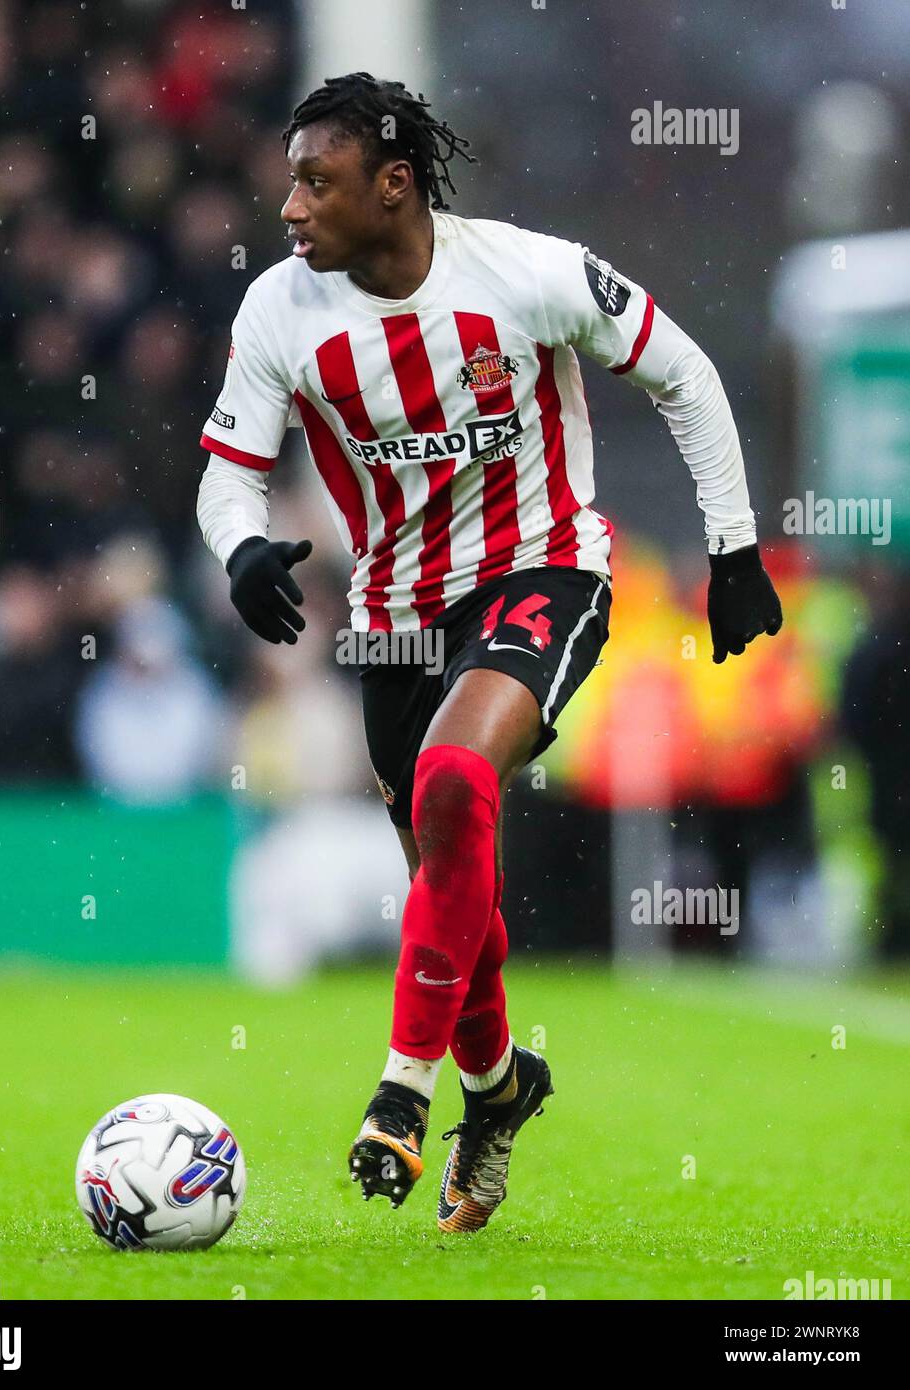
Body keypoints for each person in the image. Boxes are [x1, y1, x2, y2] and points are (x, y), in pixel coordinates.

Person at [196, 73, 782, 1234]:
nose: (291, 208)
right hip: (394, 612)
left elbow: (685, 372)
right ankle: (499, 1087)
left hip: (540, 573)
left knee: (455, 779)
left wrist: (732, 546)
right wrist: (241, 547)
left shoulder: (526, 273)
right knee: (443, 882)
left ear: (392, 184)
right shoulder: (278, 310)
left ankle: (403, 1099)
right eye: (290, 183)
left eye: (316, 181)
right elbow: (229, 468)